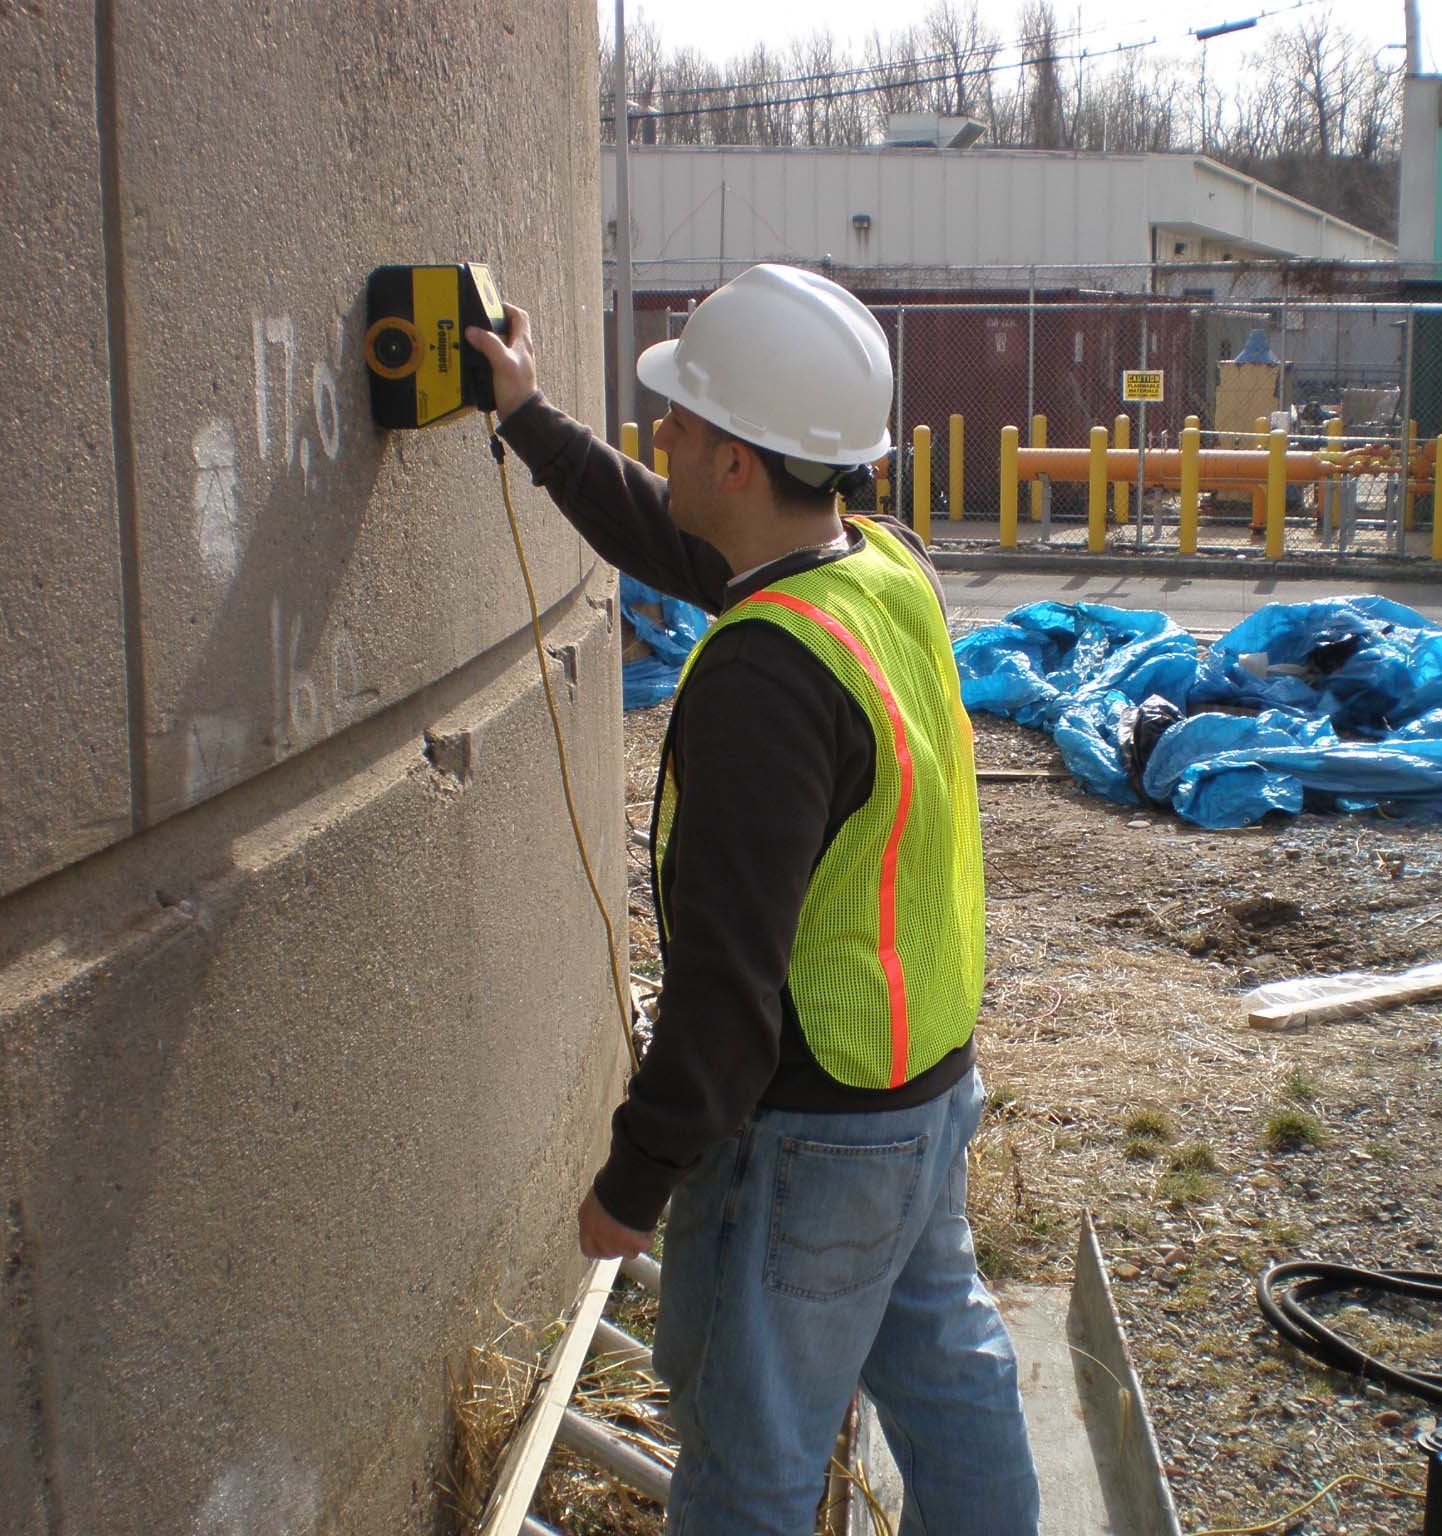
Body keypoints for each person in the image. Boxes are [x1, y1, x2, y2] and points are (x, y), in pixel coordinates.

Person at [467, 263, 1039, 1536]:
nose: (656, 434)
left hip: (814, 1136)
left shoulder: (763, 683)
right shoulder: (875, 566)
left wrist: (634, 1180)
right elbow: (662, 533)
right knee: (950, 1384)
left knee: (751, 1463)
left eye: (676, 420)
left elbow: (727, 995)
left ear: (734, 461)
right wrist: (526, 417)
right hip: (923, 1090)